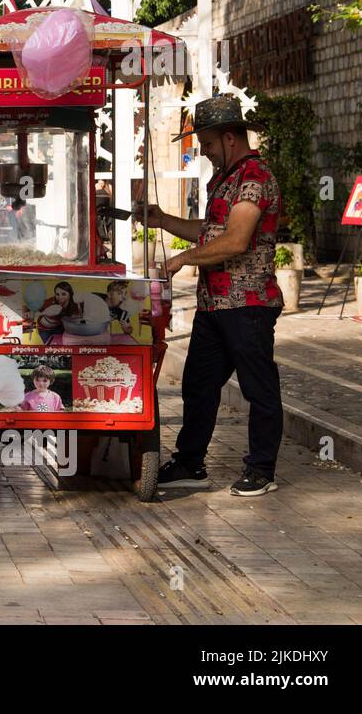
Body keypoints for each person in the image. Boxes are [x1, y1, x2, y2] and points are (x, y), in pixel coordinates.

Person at [141, 93, 284, 497]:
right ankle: (190, 462)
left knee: (259, 389)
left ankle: (261, 469)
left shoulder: (254, 177)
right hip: (214, 304)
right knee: (199, 384)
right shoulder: (223, 179)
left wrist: (183, 259)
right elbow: (211, 232)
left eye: (206, 143)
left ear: (230, 138)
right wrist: (164, 219)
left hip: (248, 304)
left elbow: (236, 241)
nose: (204, 152)